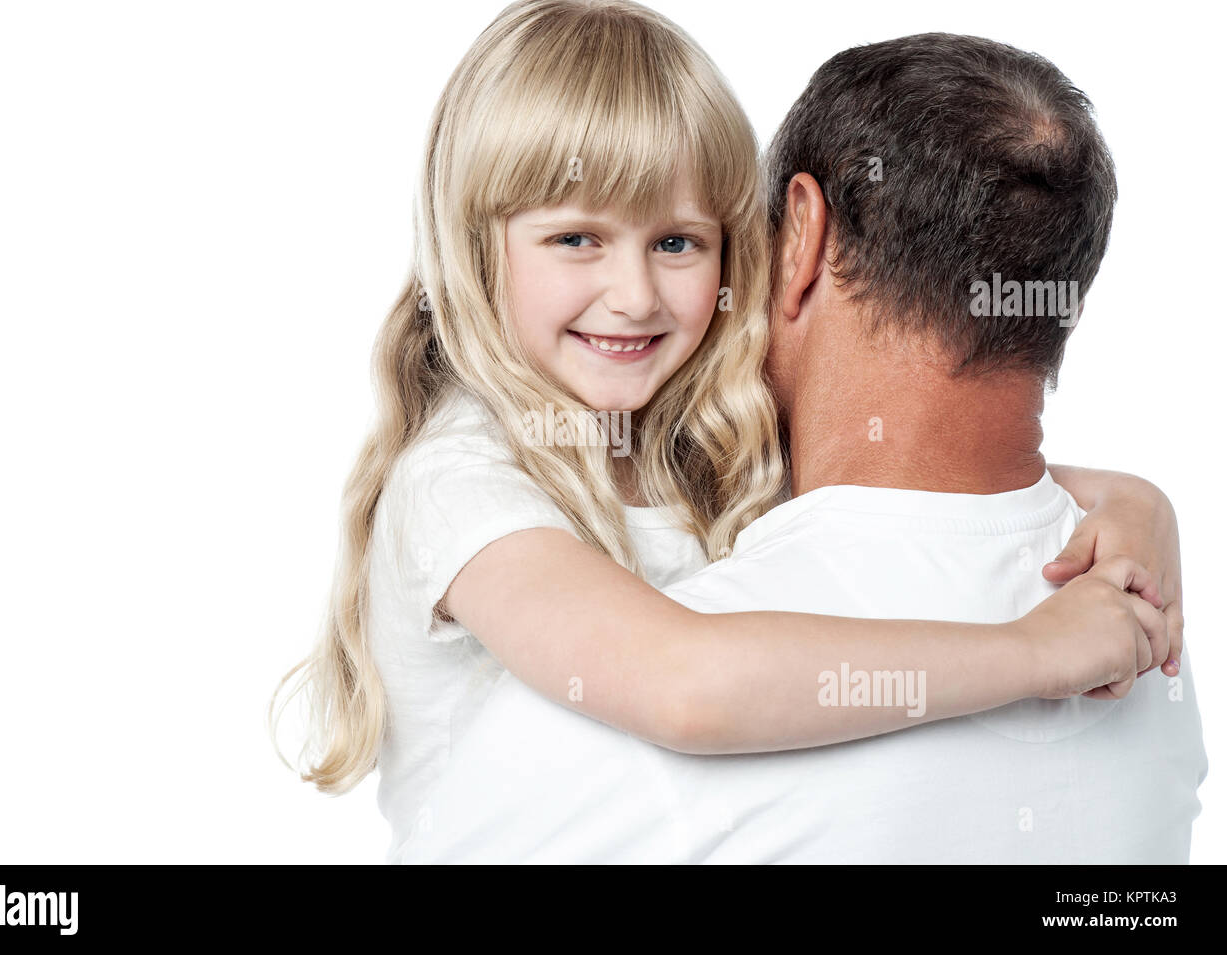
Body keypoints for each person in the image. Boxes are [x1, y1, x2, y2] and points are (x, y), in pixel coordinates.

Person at [268, 1, 1186, 864]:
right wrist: (1034, 653)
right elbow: (685, 683)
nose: (634, 296)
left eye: (677, 242)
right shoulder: (459, 482)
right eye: (576, 239)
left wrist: (1141, 508)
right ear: (475, 248)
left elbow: (954, 467)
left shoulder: (691, 432)